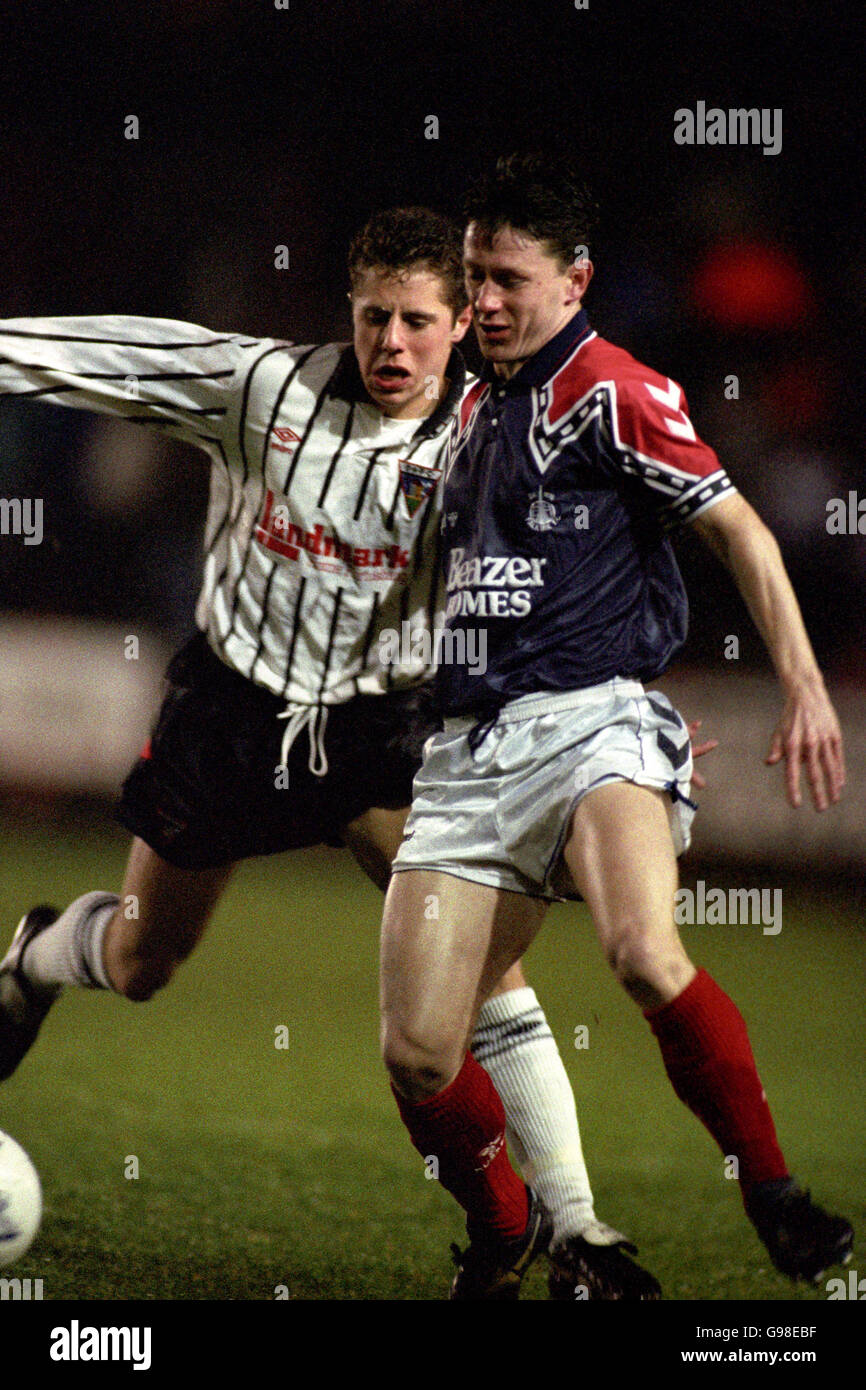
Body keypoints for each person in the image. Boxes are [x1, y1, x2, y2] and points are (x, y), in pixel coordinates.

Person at [0, 206, 680, 1298]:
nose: (392, 344)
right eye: (373, 317)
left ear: (464, 322)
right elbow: (104, 355)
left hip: (384, 727)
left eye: (418, 319)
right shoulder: (262, 389)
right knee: (139, 961)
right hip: (233, 709)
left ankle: (578, 1230)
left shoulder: (493, 431)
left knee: (478, 970)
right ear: (347, 311)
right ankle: (35, 956)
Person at [380, 156, 854, 1299]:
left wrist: (799, 680)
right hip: (466, 753)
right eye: (472, 277)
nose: (480, 300)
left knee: (641, 950)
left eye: (503, 278)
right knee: (417, 1052)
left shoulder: (617, 390)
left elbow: (741, 531)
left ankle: (773, 1194)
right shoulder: (468, 406)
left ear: (573, 278)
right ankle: (516, 1233)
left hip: (595, 722)